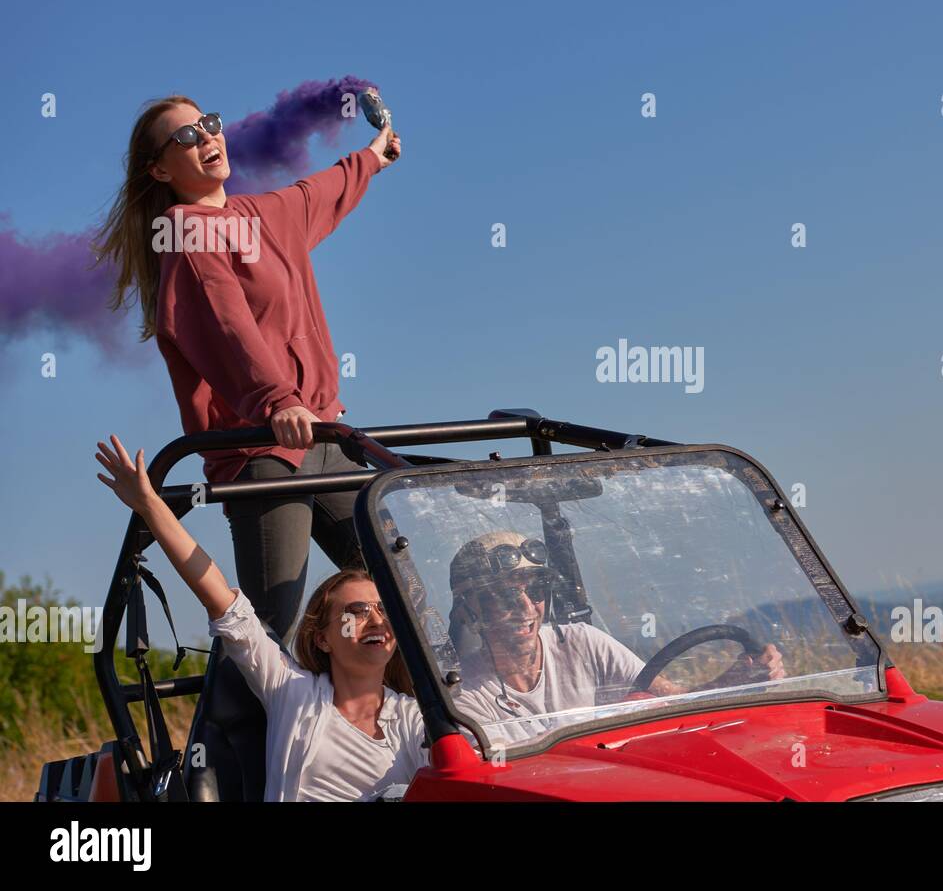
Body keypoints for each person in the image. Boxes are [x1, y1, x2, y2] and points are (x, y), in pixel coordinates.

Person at [93, 95, 400, 639]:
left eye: (208, 125)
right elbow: (226, 326)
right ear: (159, 168)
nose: (206, 138)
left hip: (324, 437)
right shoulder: (185, 232)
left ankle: (379, 718)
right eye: (185, 137)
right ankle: (225, 728)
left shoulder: (263, 214)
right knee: (269, 626)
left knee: (400, 581)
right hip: (259, 449)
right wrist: (277, 399)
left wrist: (372, 156)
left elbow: (319, 191)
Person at [95, 434, 426, 802]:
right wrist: (149, 505)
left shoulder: (414, 718)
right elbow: (218, 596)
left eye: (383, 609)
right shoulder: (291, 690)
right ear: (322, 638)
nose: (376, 620)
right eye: (357, 611)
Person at [448, 531, 785, 745]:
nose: (526, 607)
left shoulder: (584, 643)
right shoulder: (464, 697)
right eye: (506, 596)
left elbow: (676, 702)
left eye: (536, 590)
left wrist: (736, 680)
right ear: (469, 611)